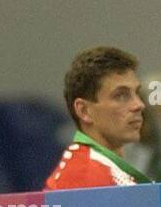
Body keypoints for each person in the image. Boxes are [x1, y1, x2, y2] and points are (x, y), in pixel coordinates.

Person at [44, 46, 153, 190]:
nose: (139, 105)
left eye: (137, 93)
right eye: (121, 95)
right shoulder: (80, 179)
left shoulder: (105, 170)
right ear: (84, 111)